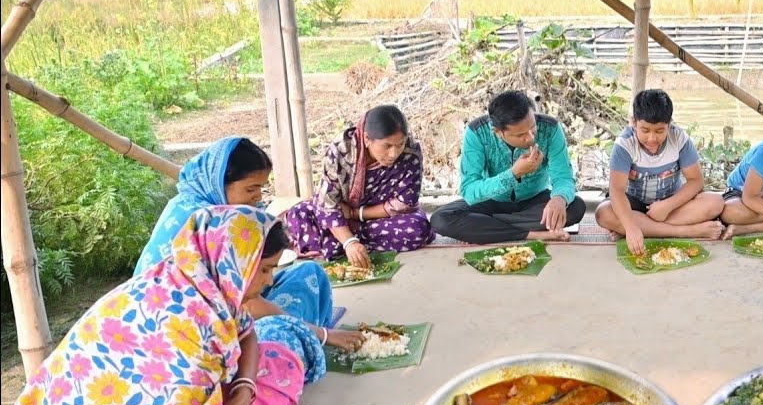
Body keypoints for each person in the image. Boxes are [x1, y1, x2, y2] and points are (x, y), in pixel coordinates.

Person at [5, 207, 330, 405]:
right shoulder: (179, 315)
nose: (270, 281)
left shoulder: (208, 286)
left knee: (282, 358)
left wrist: (243, 392)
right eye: (264, 269)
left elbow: (247, 335)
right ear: (236, 263)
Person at [135, 137, 359, 364]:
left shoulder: (200, 204)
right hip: (188, 337)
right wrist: (323, 335)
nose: (259, 197)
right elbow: (247, 304)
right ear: (219, 182)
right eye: (251, 189)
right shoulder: (210, 224)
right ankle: (295, 346)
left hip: (231, 306)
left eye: (261, 188)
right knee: (279, 337)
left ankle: (300, 335)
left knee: (310, 273)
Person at [284, 104, 434, 265]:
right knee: (299, 214)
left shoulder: (410, 153)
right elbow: (328, 203)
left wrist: (356, 214)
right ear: (367, 138)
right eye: (387, 146)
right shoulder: (341, 151)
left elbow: (405, 203)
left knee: (416, 228)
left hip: (380, 217)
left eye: (400, 144)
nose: (394, 153)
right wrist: (349, 241)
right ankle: (349, 242)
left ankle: (335, 243)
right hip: (340, 214)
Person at [431, 90, 587, 244]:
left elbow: (563, 177)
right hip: (491, 201)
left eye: (532, 128)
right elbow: (470, 191)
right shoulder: (477, 132)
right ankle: (530, 234)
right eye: (520, 135)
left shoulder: (550, 128)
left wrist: (559, 198)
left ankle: (487, 227)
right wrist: (513, 174)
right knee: (441, 219)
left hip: (534, 199)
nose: (531, 138)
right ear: (498, 132)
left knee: (575, 207)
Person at [596, 90, 725, 253]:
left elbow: (696, 181)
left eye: (659, 131)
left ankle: (646, 228)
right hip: (635, 204)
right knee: (603, 213)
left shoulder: (679, 138)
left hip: (671, 205)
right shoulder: (625, 144)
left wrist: (667, 206)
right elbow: (616, 190)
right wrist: (630, 227)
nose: (652, 139)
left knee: (715, 202)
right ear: (633, 122)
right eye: (645, 130)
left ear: (669, 124)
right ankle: (688, 231)